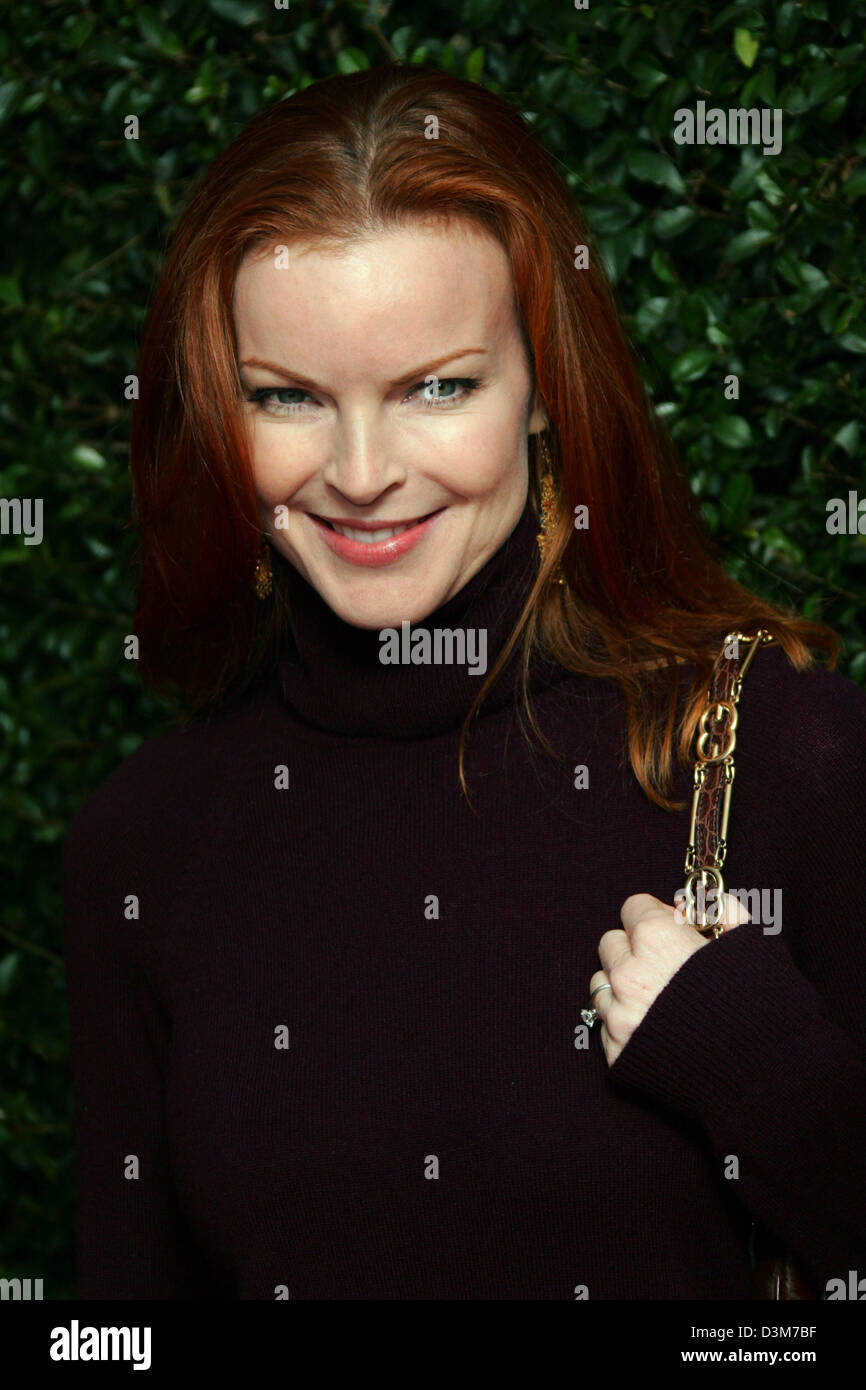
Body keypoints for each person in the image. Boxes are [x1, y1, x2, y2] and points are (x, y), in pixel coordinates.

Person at [63, 61, 866, 1301]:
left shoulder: (786, 756)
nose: (363, 470)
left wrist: (755, 1067)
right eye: (285, 397)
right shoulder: (143, 841)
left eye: (438, 385)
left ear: (545, 383)